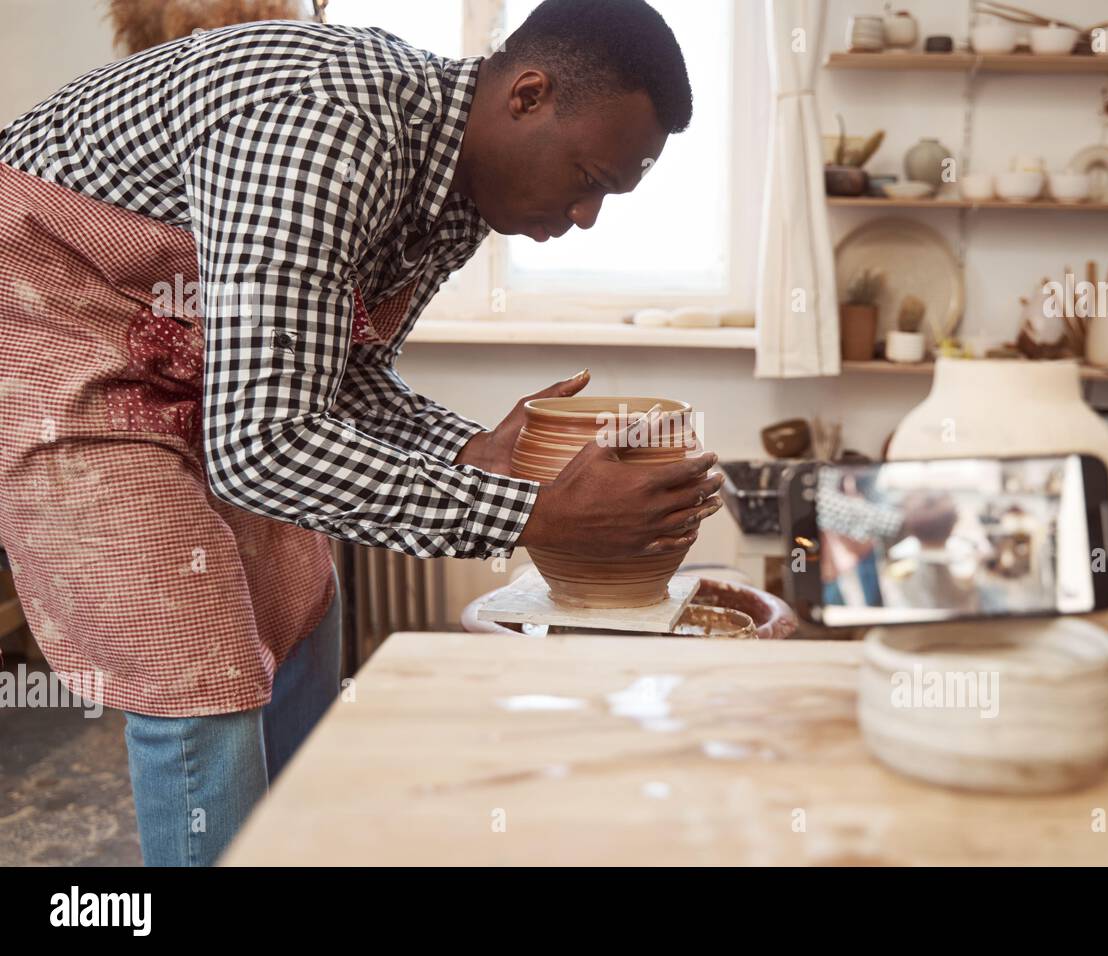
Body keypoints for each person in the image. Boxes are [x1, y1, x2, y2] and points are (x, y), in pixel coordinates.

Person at [0, 0, 722, 865]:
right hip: (48, 316)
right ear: (526, 96)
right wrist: (531, 516)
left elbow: (339, 374)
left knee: (302, 608)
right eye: (588, 177)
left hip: (185, 343)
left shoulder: (459, 194)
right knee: (195, 649)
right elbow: (261, 448)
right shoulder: (325, 126)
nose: (587, 216)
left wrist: (467, 452)